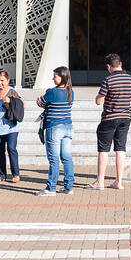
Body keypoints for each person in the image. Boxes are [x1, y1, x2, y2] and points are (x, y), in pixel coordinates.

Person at [90, 53, 131, 190]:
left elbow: (99, 101)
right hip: (126, 117)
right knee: (120, 149)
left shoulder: (108, 80)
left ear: (109, 66)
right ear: (121, 64)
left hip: (109, 118)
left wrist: (98, 97)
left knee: (104, 149)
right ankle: (119, 181)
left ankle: (100, 182)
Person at [37, 67, 76, 195]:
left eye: (55, 76)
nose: (53, 78)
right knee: (67, 158)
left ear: (62, 77)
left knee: (54, 159)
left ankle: (51, 188)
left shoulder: (52, 92)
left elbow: (41, 102)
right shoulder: (71, 91)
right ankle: (68, 187)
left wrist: (41, 99)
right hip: (68, 127)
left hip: (54, 127)